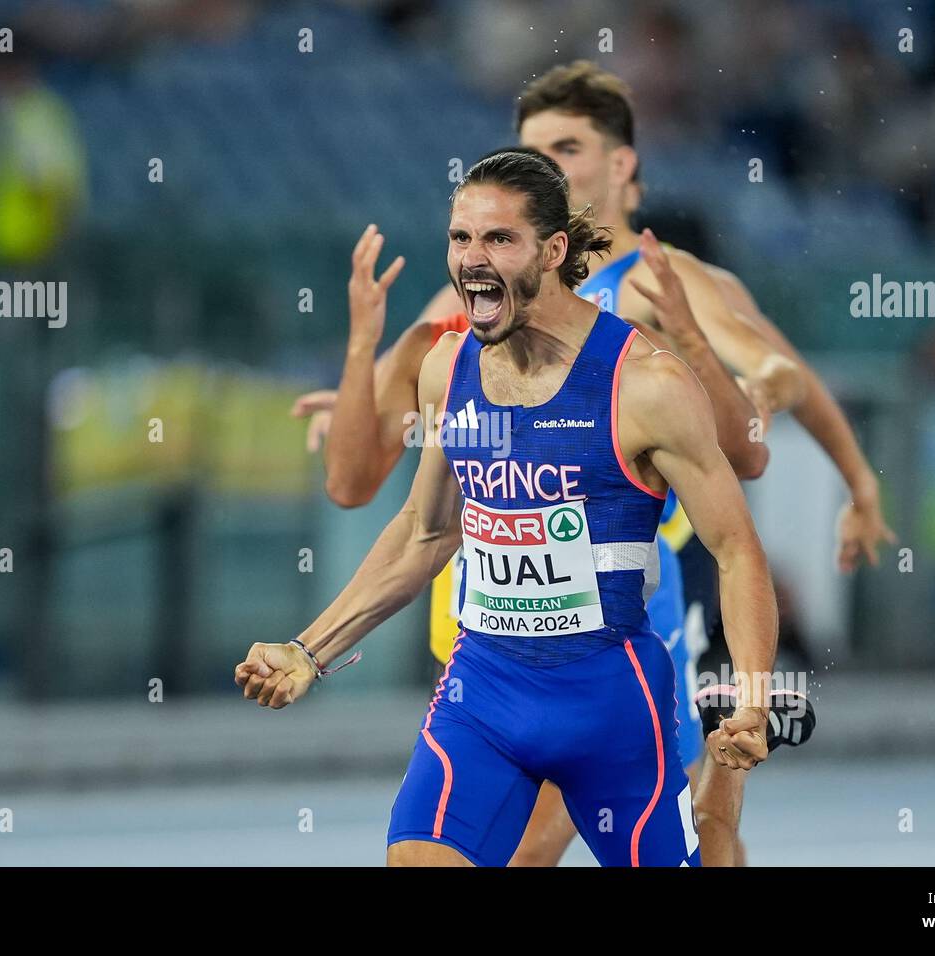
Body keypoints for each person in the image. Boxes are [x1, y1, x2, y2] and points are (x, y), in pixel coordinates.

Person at [238, 150, 778, 867]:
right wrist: (308, 648)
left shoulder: (645, 386)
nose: (472, 258)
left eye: (499, 239)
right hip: (484, 693)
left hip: (612, 706)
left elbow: (736, 548)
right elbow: (426, 533)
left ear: (554, 251)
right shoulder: (448, 369)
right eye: (461, 238)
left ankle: (719, 793)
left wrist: (752, 699)